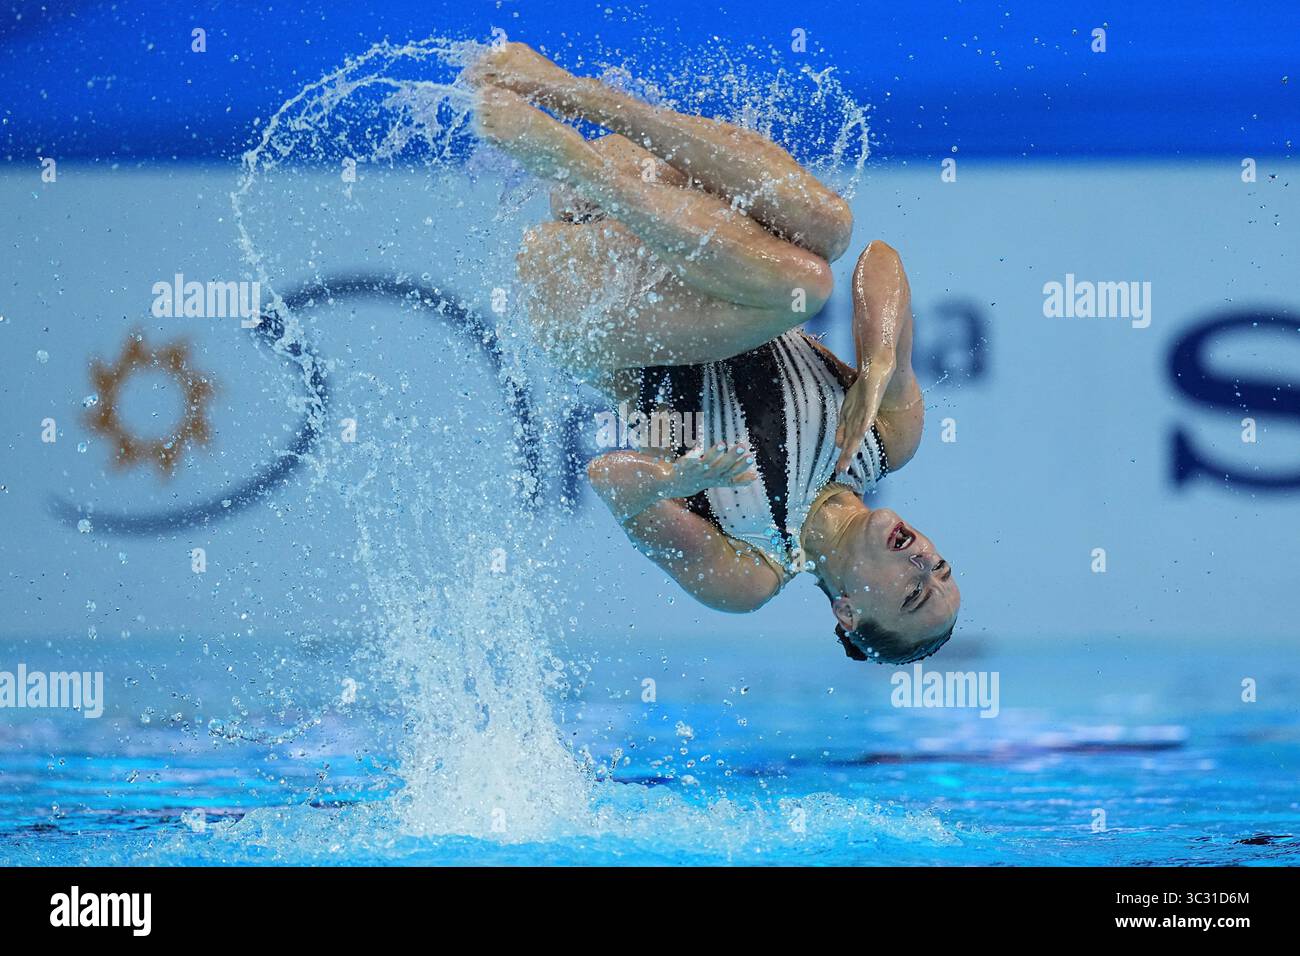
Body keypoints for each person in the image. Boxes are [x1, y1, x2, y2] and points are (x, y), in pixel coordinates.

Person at [470, 42, 958, 663]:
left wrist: (673, 480)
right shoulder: (889, 438)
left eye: (915, 594)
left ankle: (581, 141)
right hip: (649, 211)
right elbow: (881, 259)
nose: (923, 563)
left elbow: (609, 483)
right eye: (940, 567)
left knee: (804, 283)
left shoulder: (750, 571)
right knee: (829, 229)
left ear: (848, 611)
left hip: (586, 299)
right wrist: (882, 360)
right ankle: (582, 107)